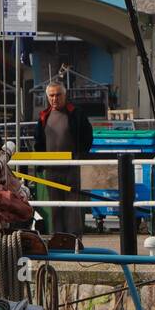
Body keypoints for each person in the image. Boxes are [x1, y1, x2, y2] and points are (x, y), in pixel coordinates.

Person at [34, 80, 94, 240]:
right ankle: (58, 239)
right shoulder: (43, 116)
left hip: (71, 169)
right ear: (48, 97)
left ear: (65, 95)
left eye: (58, 95)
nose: (55, 98)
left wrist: (80, 156)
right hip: (51, 170)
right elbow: (38, 142)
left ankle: (74, 240)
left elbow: (88, 136)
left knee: (72, 207)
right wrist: (40, 165)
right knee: (55, 207)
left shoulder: (76, 113)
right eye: (52, 95)